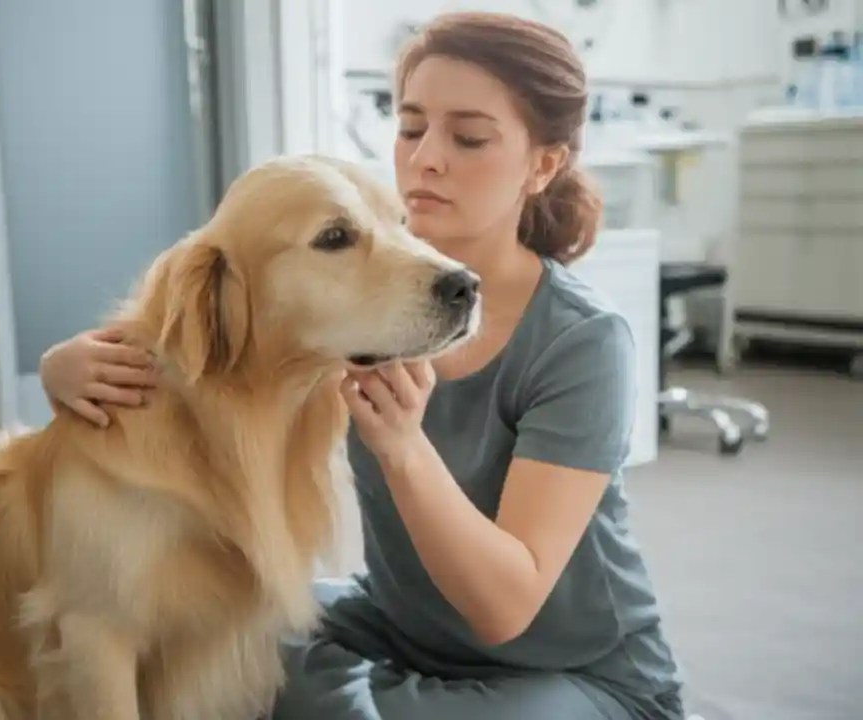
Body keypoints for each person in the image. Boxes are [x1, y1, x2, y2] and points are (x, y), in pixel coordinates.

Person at [38, 11, 684, 720]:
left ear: (543, 164)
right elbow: (215, 350)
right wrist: (68, 366)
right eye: (410, 128)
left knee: (286, 689)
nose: (426, 159)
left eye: (468, 137)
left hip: (573, 667)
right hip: (400, 627)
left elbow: (506, 608)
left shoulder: (584, 341)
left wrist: (404, 447)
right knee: (203, 634)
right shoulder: (358, 290)